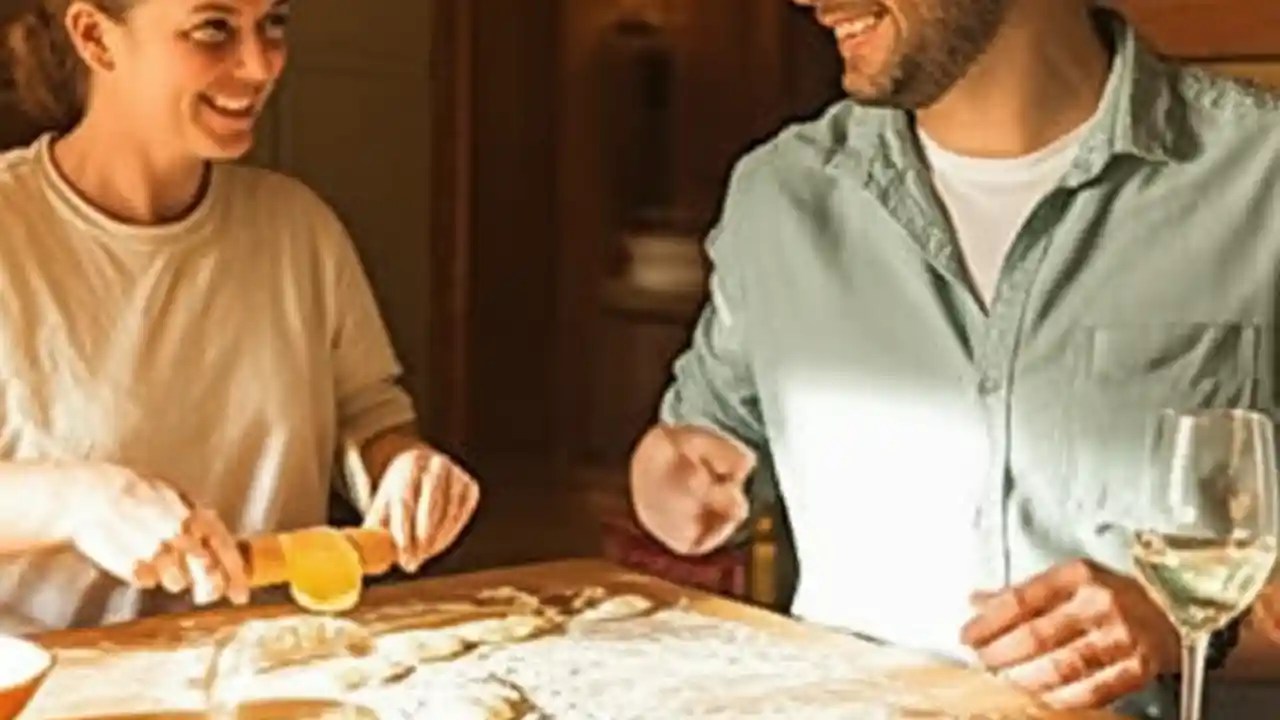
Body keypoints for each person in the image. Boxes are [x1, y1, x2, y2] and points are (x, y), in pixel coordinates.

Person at [629, 0, 1280, 715]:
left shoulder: (1261, 180)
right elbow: (706, 440)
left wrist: (1181, 626)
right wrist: (672, 482)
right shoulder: (777, 197)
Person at [0, 0, 479, 633]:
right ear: (96, 37)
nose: (259, 65)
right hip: (55, 682)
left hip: (276, 669)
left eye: (273, 24)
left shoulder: (299, 229)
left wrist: (406, 469)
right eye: (213, 29)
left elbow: (368, 419)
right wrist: (75, 500)